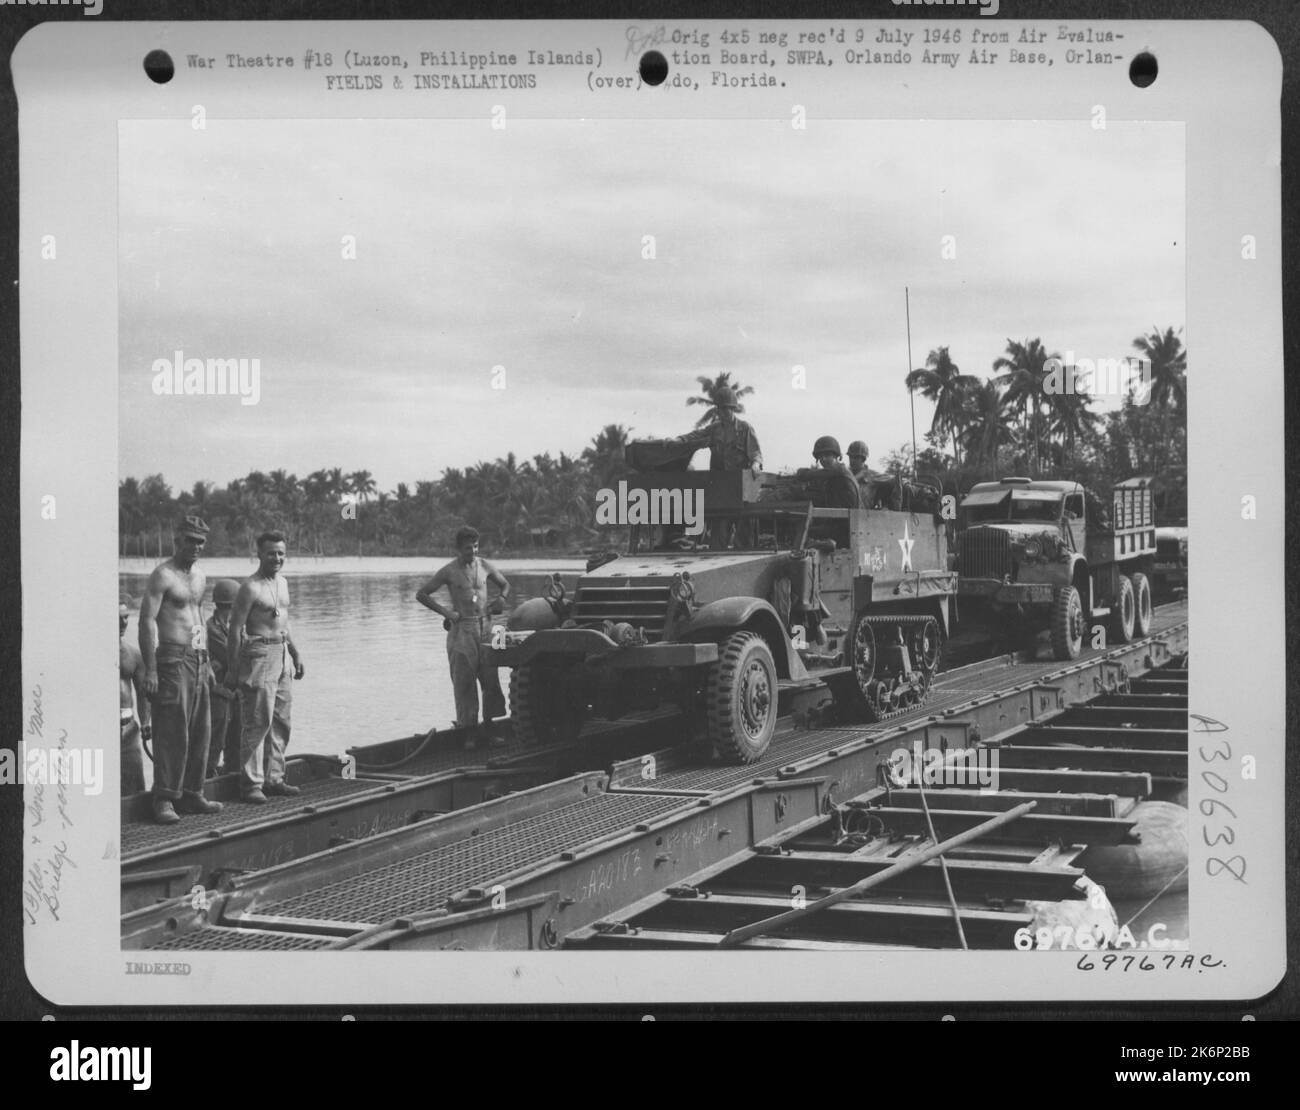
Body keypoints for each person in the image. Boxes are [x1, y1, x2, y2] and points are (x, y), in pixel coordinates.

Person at [139, 516, 223, 824]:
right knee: (172, 730)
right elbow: (146, 621)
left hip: (197, 660)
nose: (196, 546)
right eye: (190, 540)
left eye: (200, 541)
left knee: (201, 730)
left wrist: (205, 658)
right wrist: (150, 669)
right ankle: (164, 798)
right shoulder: (162, 575)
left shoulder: (200, 576)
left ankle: (192, 793)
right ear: (178, 540)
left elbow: (198, 616)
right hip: (172, 659)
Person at [226, 531, 304, 803]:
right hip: (259, 652)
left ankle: (274, 778)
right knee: (258, 720)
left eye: (281, 553)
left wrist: (295, 653)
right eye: (271, 553)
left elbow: (285, 622)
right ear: (258, 554)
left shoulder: (282, 583)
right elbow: (235, 629)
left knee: (281, 720)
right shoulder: (250, 587)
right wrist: (233, 669)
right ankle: (251, 785)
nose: (277, 558)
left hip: (281, 651)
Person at [416, 526, 509, 746]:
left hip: (486, 627)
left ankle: (489, 728)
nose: (473, 551)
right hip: (462, 629)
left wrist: (502, 599)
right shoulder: (449, 571)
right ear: (459, 549)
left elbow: (505, 585)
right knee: (464, 683)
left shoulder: (485, 565)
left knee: (490, 680)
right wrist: (447, 613)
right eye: (468, 548)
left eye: (476, 546)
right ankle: (470, 733)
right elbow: (422, 594)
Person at [674, 386, 763, 473]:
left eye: (725, 409)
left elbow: (755, 453)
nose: (722, 413)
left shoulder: (745, 428)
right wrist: (680, 439)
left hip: (739, 480)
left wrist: (756, 464)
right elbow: (696, 435)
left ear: (732, 409)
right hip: (717, 479)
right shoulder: (714, 429)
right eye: (719, 409)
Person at [204, 579, 242, 777]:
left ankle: (232, 774)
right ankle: (208, 776)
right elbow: (233, 653)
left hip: (234, 691)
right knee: (216, 738)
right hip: (217, 691)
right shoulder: (210, 628)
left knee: (236, 737)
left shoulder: (234, 627)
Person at [119, 596, 149, 796]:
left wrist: (146, 722)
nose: (123, 623)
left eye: (126, 617)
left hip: (129, 729)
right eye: (117, 618)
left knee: (135, 789)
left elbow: (143, 693)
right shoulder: (88, 656)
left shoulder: (134, 654)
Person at [811, 436, 863, 509]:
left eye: (827, 455)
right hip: (840, 515)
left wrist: (800, 473)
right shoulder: (832, 477)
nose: (823, 459)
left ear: (836, 456)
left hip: (847, 518)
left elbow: (806, 475)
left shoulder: (840, 470)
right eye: (820, 456)